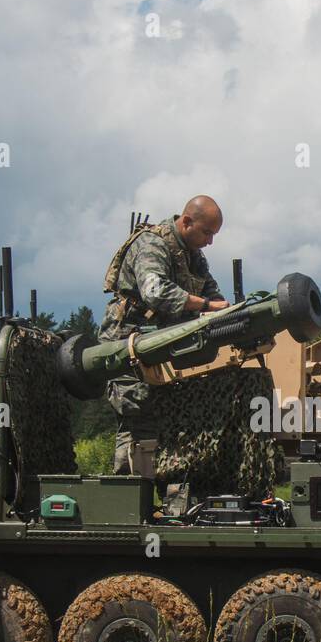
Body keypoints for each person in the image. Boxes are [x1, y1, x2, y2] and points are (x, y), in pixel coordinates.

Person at [99, 195, 230, 477]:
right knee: (138, 418)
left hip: (161, 345)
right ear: (186, 222)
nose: (210, 241)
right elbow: (155, 292)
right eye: (207, 232)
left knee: (171, 421)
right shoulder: (152, 244)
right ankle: (128, 501)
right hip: (127, 345)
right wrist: (207, 307)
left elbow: (211, 291)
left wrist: (226, 312)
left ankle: (166, 501)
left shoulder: (193, 255)